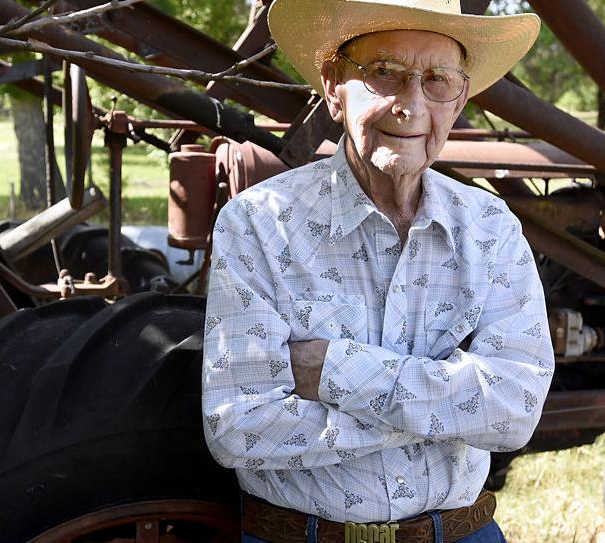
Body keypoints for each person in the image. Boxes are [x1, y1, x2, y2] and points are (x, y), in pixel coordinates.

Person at [201, 0, 553, 540]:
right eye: (383, 74)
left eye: (437, 80)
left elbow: (514, 411)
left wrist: (333, 372)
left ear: (459, 99)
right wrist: (449, 409)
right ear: (333, 86)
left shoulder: (490, 228)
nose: (409, 106)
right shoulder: (258, 226)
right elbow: (238, 428)